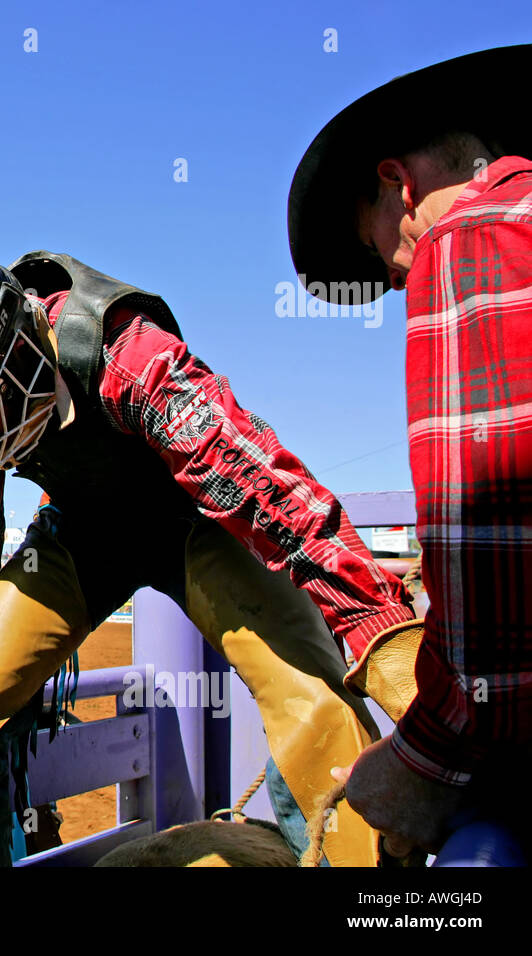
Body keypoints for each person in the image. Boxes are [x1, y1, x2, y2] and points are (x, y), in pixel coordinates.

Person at [0, 240, 421, 866]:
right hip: (80, 536)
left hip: (195, 526)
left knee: (315, 696)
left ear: (11, 357)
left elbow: (264, 487)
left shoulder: (128, 354)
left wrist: (378, 627)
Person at [286, 44, 532, 857]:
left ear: (401, 185)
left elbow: (493, 568)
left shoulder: (470, 237)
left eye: (372, 250)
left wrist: (419, 765)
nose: (392, 279)